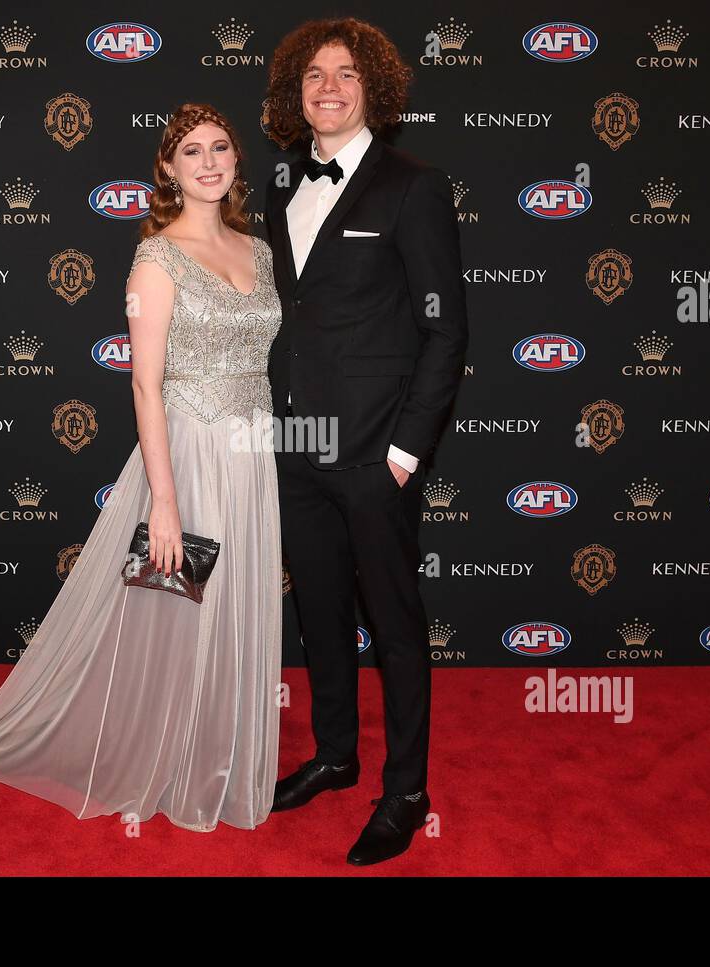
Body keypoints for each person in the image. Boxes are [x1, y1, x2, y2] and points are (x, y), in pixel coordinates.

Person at [0, 103, 284, 833]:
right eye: (191, 151)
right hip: (189, 457)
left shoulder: (257, 251)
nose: (209, 162)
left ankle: (217, 758)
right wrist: (164, 501)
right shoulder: (156, 257)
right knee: (172, 617)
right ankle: (162, 756)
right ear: (168, 168)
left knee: (233, 613)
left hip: (253, 459)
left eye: (220, 147)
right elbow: (144, 384)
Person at [262, 18, 469, 864]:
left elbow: (446, 330)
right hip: (296, 448)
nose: (329, 86)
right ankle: (337, 755)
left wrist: (405, 453)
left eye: (346, 74)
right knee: (317, 613)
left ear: (373, 89)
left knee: (394, 627)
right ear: (295, 92)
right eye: (314, 74)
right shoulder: (280, 188)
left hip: (376, 454)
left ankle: (407, 792)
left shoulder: (414, 187)